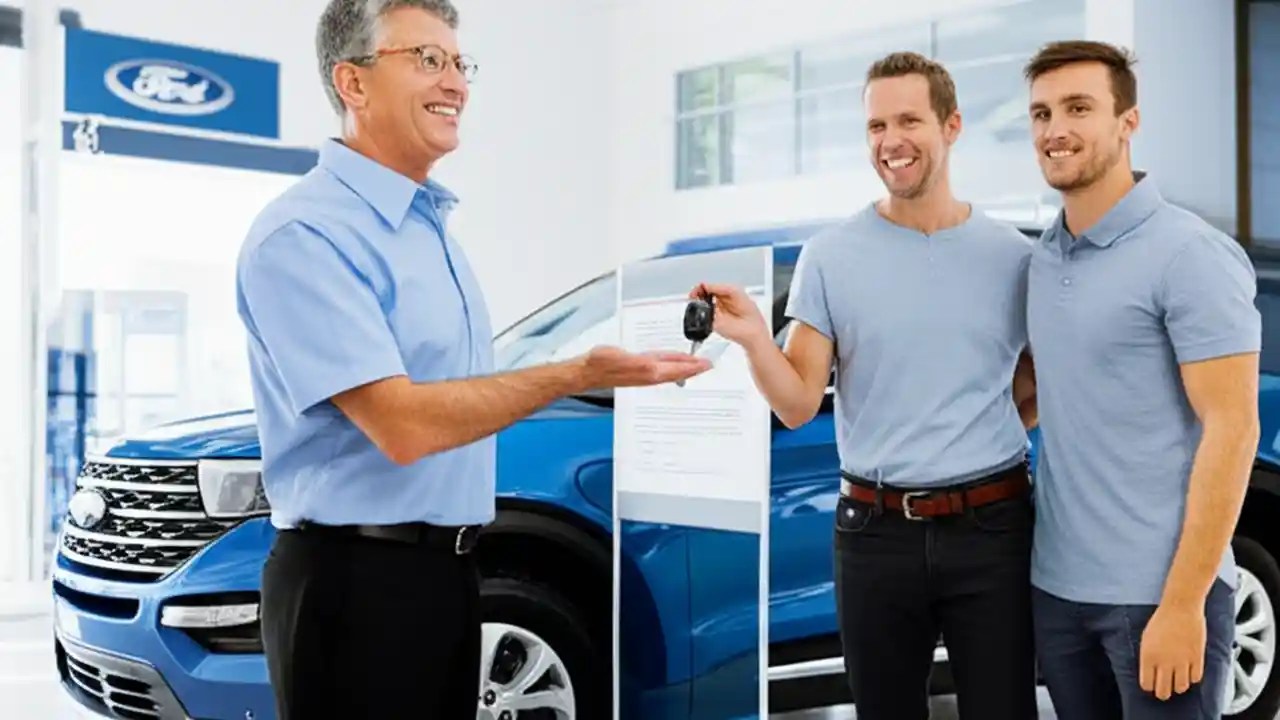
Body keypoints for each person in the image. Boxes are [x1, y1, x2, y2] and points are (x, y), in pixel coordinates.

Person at [233, 1, 709, 717]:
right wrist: (578, 374)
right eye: (427, 58)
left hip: (447, 574)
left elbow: (461, 396)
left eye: (460, 63)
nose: (455, 81)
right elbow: (404, 426)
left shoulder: (428, 229)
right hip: (354, 586)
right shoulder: (304, 235)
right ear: (353, 84)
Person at [694, 51, 1039, 719]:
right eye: (876, 126)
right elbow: (797, 404)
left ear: (953, 125)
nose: (890, 141)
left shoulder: (1014, 258)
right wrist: (756, 340)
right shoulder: (833, 256)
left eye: (909, 120)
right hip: (876, 536)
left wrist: (969, 446)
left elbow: (1035, 387)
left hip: (994, 528)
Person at [1021, 40, 1262, 720]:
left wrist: (1185, 603)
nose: (1054, 130)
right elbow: (1043, 397)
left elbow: (1235, 427)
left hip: (1159, 597)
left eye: (1077, 108)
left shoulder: (1189, 253)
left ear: (1128, 122)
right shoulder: (1042, 259)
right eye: (1040, 113)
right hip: (1058, 592)